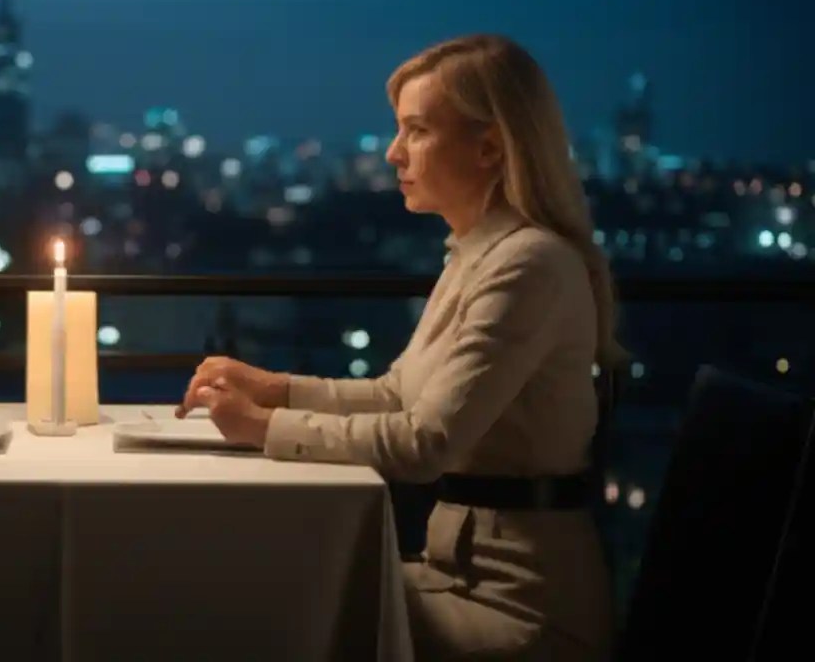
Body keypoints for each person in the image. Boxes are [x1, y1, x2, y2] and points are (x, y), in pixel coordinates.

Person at [177, 34, 622, 660]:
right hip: (456, 579)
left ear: (490, 146)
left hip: (522, 610)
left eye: (415, 131)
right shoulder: (479, 254)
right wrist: (271, 386)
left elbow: (426, 443)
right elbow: (396, 394)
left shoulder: (528, 265)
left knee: (266, 606)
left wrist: (265, 426)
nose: (392, 153)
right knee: (269, 594)